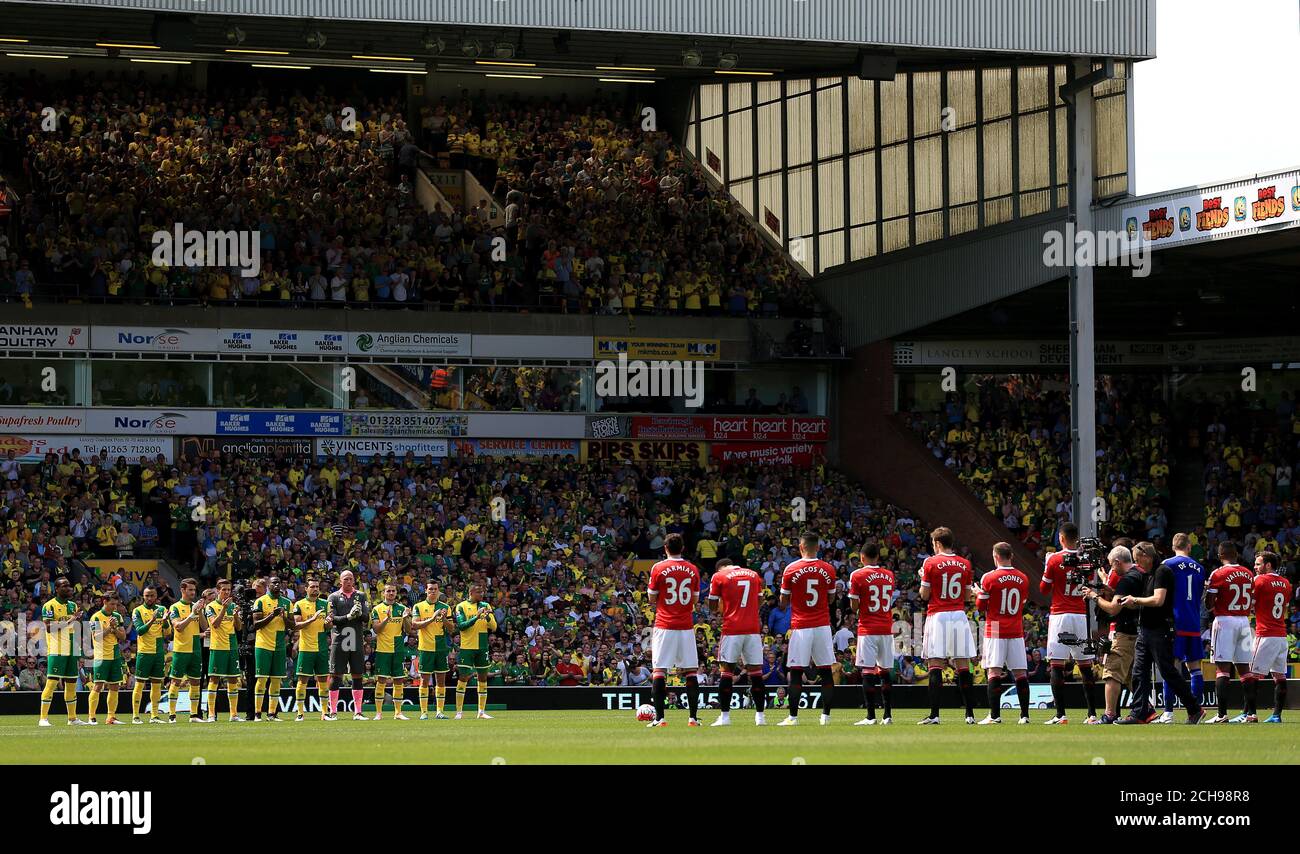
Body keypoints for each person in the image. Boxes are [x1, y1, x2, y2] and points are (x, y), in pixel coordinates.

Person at [1116, 541, 1204, 725]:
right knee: (1139, 672)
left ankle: (1194, 708)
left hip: (1160, 629)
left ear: (1146, 556)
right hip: (1146, 629)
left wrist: (1136, 600)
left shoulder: (1162, 571)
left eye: (1137, 559)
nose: (1136, 563)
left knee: (1167, 671)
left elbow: (1158, 600)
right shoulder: (1149, 573)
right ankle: (1139, 713)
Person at [1039, 522, 1099, 725]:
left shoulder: (1054, 559)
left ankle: (1061, 715)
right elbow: (1091, 584)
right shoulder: (1086, 559)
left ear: (1061, 538)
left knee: (1057, 665)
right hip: (1081, 616)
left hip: (1060, 615)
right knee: (1085, 667)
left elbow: (1043, 589)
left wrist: (1046, 566)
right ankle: (1091, 715)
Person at [776, 531, 838, 726]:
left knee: (795, 672)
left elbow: (783, 602)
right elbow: (831, 598)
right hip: (822, 625)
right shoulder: (828, 568)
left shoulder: (791, 569)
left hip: (801, 626)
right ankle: (825, 717)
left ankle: (793, 717)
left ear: (800, 547)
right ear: (818, 547)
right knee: (826, 671)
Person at [917, 526, 977, 724]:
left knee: (935, 665)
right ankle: (969, 715)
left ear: (938, 544)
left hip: (939, 615)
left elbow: (924, 595)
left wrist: (922, 578)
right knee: (963, 667)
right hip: (959, 615)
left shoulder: (930, 563)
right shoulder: (965, 564)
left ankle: (934, 715)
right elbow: (968, 596)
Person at [646, 533, 701, 727]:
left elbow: (652, 598)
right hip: (685, 627)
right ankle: (693, 718)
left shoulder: (658, 568)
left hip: (664, 625)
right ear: (683, 548)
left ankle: (660, 719)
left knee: (660, 671)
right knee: (691, 672)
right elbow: (694, 600)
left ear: (665, 548)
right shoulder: (692, 569)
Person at [1087, 546, 1145, 723]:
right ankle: (1145, 710)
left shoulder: (1126, 580)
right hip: (1138, 631)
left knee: (1111, 672)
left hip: (1125, 633)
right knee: (1130, 676)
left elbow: (1113, 608)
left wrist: (1094, 596)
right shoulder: (1140, 574)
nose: (1112, 569)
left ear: (1118, 562)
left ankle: (1109, 714)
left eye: (1113, 565)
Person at [706, 558, 767, 726]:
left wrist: (727, 607)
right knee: (756, 674)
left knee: (726, 672)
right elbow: (760, 600)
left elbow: (712, 607)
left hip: (732, 629)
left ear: (721, 568)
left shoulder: (720, 576)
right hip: (752, 629)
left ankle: (725, 717)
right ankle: (760, 717)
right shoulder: (754, 575)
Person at [975, 543, 1031, 724]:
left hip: (996, 628)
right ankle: (1024, 716)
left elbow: (981, 606)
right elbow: (1022, 603)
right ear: (1011, 556)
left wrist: (978, 594)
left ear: (996, 556)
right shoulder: (1023, 578)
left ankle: (994, 716)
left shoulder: (989, 577)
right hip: (1015, 628)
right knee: (1020, 673)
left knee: (994, 672)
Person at [1204, 542, 1255, 723]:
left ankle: (1221, 714)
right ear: (1236, 555)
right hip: (1244, 621)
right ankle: (1252, 714)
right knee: (1245, 670)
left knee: (1222, 669)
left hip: (1225, 621)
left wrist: (1208, 593)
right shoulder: (1249, 573)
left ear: (1220, 555)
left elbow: (1209, 604)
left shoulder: (1218, 573)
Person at [1158, 534, 1206, 723]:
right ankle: (1194, 711)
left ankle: (1168, 713)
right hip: (1193, 622)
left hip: (1174, 623)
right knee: (1195, 668)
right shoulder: (1200, 568)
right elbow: (1200, 595)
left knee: (1172, 667)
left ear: (1172, 546)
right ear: (1189, 546)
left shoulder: (1167, 564)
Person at [1240, 551, 1291, 723]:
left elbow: (1249, 602)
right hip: (1281, 636)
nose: (1254, 567)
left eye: (1258, 564)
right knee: (1280, 676)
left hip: (1265, 634)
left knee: (1251, 674)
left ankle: (1250, 714)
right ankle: (1276, 715)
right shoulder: (1286, 583)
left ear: (1268, 565)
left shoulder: (1259, 580)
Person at [848, 543, 895, 725]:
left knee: (868, 672)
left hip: (868, 628)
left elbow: (854, 606)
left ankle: (870, 717)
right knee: (884, 672)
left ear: (862, 557)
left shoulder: (857, 575)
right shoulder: (889, 575)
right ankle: (888, 715)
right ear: (878, 556)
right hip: (886, 628)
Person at [38, 576, 85, 726]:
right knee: (51, 683)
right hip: (57, 649)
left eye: (69, 585)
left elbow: (75, 629)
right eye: (64, 586)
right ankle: (43, 719)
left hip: (71, 650)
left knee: (71, 683)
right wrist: (72, 619)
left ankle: (72, 718)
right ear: (57, 589)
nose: (68, 588)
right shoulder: (49, 606)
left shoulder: (72, 605)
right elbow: (50, 627)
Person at [326, 570, 369, 721]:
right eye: (346, 579)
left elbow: (366, 618)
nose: (349, 581)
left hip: (356, 640)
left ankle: (358, 712)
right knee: (336, 675)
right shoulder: (333, 597)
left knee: (357, 675)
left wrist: (358, 614)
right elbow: (332, 619)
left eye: (351, 579)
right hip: (339, 640)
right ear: (340, 581)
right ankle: (333, 712)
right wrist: (349, 616)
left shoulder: (361, 596)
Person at [250, 575, 293, 722]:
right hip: (263, 645)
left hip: (280, 646)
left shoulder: (287, 603)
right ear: (269, 585)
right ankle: (257, 714)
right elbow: (255, 625)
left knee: (276, 680)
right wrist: (272, 616)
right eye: (274, 583)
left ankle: (272, 714)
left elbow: (292, 626)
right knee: (261, 680)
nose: (277, 585)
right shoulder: (260, 601)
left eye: (279, 583)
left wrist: (283, 617)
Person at [454, 582, 498, 720]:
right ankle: (459, 712)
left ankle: (481, 711)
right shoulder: (461, 606)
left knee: (483, 678)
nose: (482, 594)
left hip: (482, 646)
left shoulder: (486, 606)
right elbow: (461, 626)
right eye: (479, 591)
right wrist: (476, 617)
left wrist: (488, 616)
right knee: (463, 677)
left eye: (483, 592)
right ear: (471, 592)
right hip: (467, 647)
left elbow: (494, 627)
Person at [166, 577, 207, 723]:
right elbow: (178, 627)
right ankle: (172, 715)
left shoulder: (196, 606)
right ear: (182, 590)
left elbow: (204, 626)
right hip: (181, 650)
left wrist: (200, 612)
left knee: (195, 682)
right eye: (190, 590)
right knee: (175, 682)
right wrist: (192, 614)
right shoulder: (175, 607)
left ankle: (194, 715)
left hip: (195, 649)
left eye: (194, 590)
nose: (192, 592)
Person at [410, 581, 453, 720]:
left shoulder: (445, 607)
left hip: (441, 648)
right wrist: (433, 618)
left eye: (435, 589)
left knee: (441, 681)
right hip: (425, 648)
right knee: (424, 681)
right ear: (426, 590)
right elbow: (414, 625)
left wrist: (444, 619)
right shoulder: (418, 606)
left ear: (438, 591)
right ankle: (424, 712)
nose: (433, 591)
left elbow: (452, 629)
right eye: (430, 589)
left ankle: (439, 711)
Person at [203, 578, 244, 722]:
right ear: (218, 590)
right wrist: (225, 609)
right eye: (224, 590)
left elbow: (239, 627)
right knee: (214, 679)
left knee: (233, 678)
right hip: (218, 647)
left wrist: (235, 615)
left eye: (228, 590)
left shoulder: (233, 606)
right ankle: (211, 714)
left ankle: (233, 715)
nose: (227, 592)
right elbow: (214, 624)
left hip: (232, 646)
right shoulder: (211, 607)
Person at [290, 576, 331, 722]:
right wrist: (312, 619)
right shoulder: (299, 605)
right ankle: (300, 713)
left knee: (323, 681)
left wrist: (328, 623)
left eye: (317, 586)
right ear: (306, 589)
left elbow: (328, 627)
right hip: (306, 647)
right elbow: (296, 625)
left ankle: (325, 713)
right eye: (312, 586)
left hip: (321, 648)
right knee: (302, 680)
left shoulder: (325, 604)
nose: (315, 589)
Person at [371, 583, 411, 721]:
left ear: (396, 593)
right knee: (381, 680)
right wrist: (387, 618)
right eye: (388, 591)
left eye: (393, 591)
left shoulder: (402, 609)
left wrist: (406, 617)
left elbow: (408, 630)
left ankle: (398, 713)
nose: (391, 593)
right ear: (383, 593)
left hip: (398, 649)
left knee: (398, 680)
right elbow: (376, 630)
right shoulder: (377, 609)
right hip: (383, 650)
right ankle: (378, 713)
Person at [129, 585, 168, 725]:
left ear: (156, 596)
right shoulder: (137, 611)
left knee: (157, 684)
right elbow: (140, 631)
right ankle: (135, 716)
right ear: (143, 596)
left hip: (158, 653)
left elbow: (168, 632)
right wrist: (153, 619)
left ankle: (155, 715)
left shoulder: (162, 609)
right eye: (147, 596)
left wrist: (164, 622)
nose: (149, 598)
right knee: (139, 684)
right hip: (144, 652)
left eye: (152, 595)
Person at [87, 592, 127, 725]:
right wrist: (110, 628)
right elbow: (97, 637)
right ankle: (91, 717)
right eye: (112, 604)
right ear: (104, 601)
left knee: (115, 686)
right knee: (98, 685)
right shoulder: (96, 617)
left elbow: (123, 637)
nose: (115, 607)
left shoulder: (117, 616)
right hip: (101, 656)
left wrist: (115, 629)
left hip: (115, 655)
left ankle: (111, 717)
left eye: (116, 604)